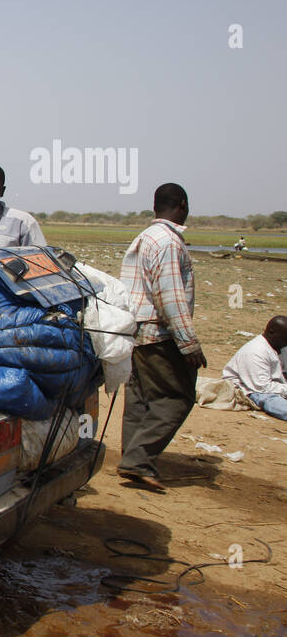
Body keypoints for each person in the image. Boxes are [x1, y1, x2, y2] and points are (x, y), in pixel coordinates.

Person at [118, 183, 206, 491]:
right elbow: (170, 296)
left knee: (140, 399)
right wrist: (188, 342)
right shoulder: (168, 242)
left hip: (136, 330)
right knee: (176, 397)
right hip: (159, 333)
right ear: (182, 204)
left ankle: (134, 459)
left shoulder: (143, 238)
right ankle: (138, 461)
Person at [222, 316, 287, 421]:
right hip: (250, 389)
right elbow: (262, 387)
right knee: (270, 400)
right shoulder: (256, 351)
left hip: (275, 386)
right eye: (285, 338)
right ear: (271, 332)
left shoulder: (280, 346)